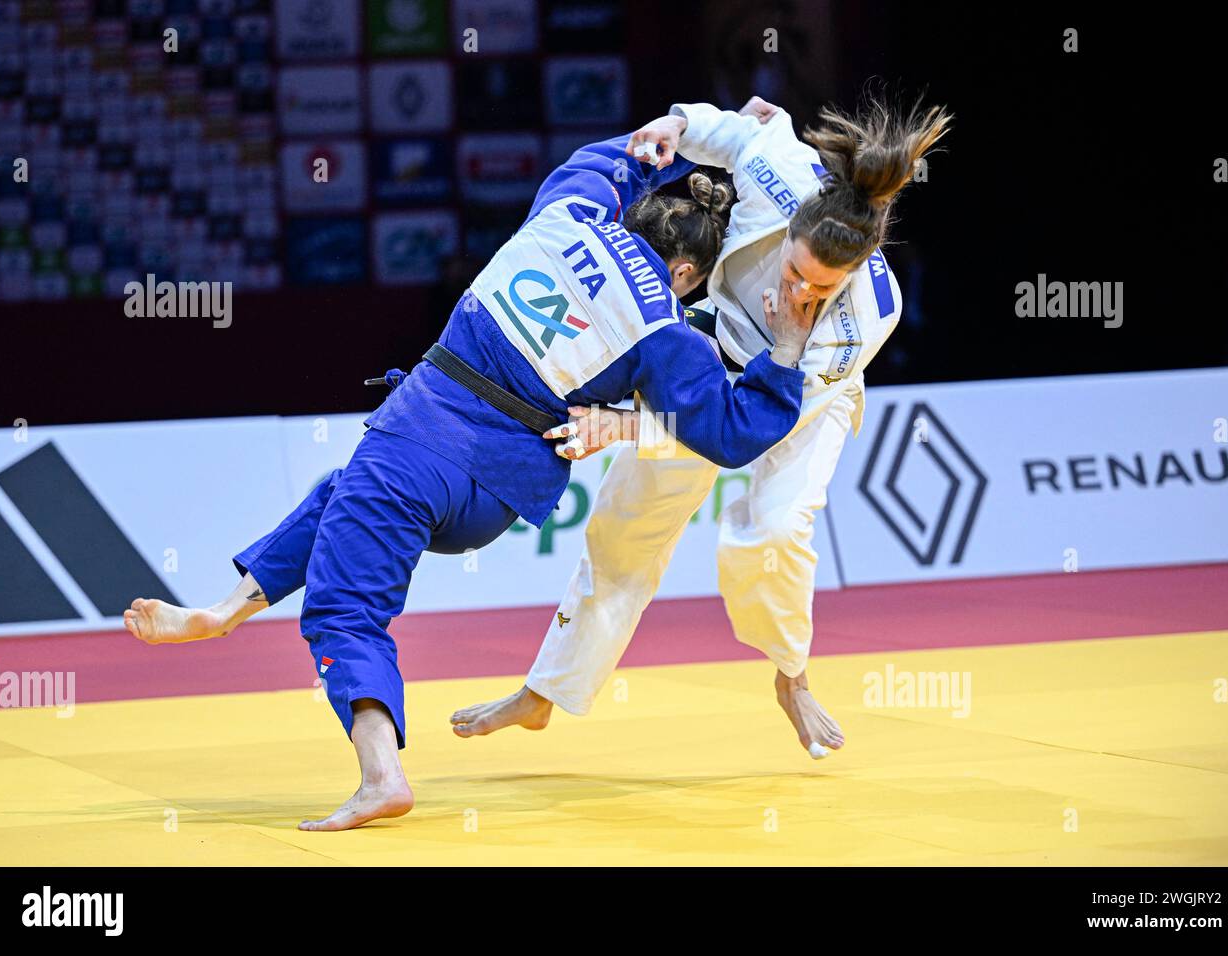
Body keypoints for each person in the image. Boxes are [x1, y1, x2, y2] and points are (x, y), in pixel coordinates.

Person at [123, 132, 821, 830]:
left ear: (632, 217)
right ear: (685, 274)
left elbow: (605, 161)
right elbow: (731, 434)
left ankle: (380, 776)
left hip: (423, 438)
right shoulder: (667, 329)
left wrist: (659, 145)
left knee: (343, 610)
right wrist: (786, 347)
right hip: (494, 494)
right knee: (339, 499)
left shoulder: (570, 212)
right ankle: (223, 611)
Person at [450, 94, 950, 757]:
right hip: (713, 363)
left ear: (852, 275)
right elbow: (733, 131)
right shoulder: (783, 174)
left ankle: (792, 677)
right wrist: (676, 124)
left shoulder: (867, 317)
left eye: (820, 289)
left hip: (797, 398)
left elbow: (747, 430)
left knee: (772, 531)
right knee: (622, 529)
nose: (801, 291)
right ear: (790, 224)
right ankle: (543, 693)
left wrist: (627, 428)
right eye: (796, 270)